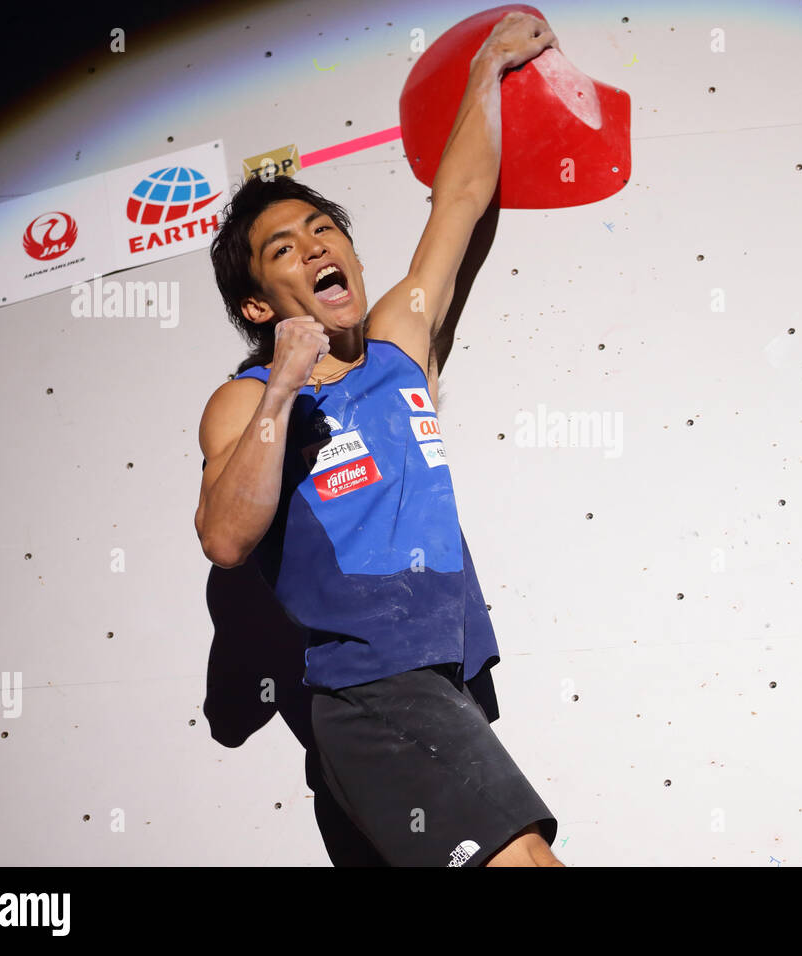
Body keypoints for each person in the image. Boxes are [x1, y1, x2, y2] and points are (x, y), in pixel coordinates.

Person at [194, 12, 564, 867]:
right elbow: (225, 537)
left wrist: (487, 69)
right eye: (282, 248)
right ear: (260, 304)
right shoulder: (242, 400)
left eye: (324, 230)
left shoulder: (401, 342)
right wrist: (284, 387)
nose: (315, 246)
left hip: (450, 682)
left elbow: (462, 199)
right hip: (375, 689)